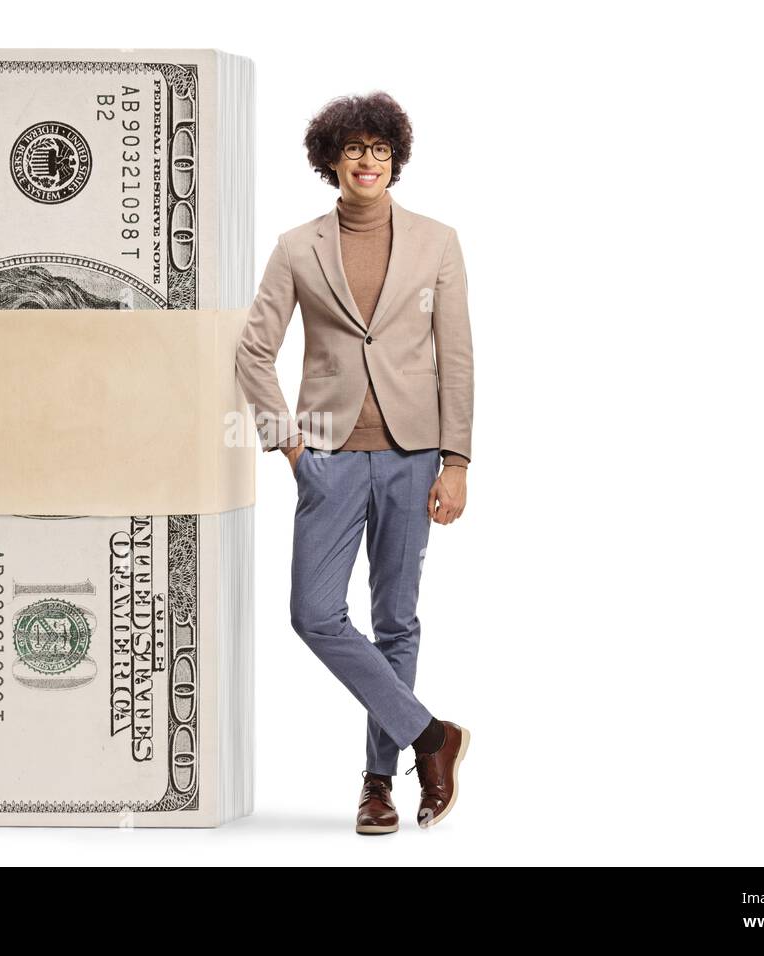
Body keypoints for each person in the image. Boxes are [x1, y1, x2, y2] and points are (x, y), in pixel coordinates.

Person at [235, 91, 474, 833]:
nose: (367, 161)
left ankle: (380, 783)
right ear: (331, 160)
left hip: (412, 456)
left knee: (396, 621)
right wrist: (290, 444)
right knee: (315, 613)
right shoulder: (297, 246)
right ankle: (432, 737)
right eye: (353, 149)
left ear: (395, 158)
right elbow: (251, 350)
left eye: (379, 149)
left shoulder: (437, 242)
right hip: (329, 457)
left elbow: (455, 356)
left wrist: (457, 459)